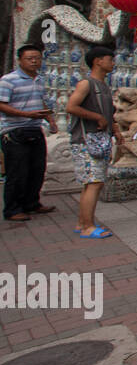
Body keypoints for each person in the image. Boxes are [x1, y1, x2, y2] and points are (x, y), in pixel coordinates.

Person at [65, 46, 124, 239]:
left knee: (91, 183)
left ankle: (82, 222)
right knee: (94, 183)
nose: (112, 63)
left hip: (99, 139)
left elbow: (109, 114)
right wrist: (97, 117)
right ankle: (88, 227)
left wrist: (115, 131)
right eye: (110, 59)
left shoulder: (103, 85)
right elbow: (71, 107)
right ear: (98, 61)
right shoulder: (86, 84)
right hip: (86, 140)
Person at [0, 43, 57, 221]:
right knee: (17, 172)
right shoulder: (8, 80)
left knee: (37, 169)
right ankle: (13, 209)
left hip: (34, 128)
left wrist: (50, 119)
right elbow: (1, 104)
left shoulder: (39, 79)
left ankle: (32, 203)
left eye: (37, 58)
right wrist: (26, 114)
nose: (34, 62)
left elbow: (42, 102)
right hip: (14, 130)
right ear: (20, 60)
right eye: (29, 59)